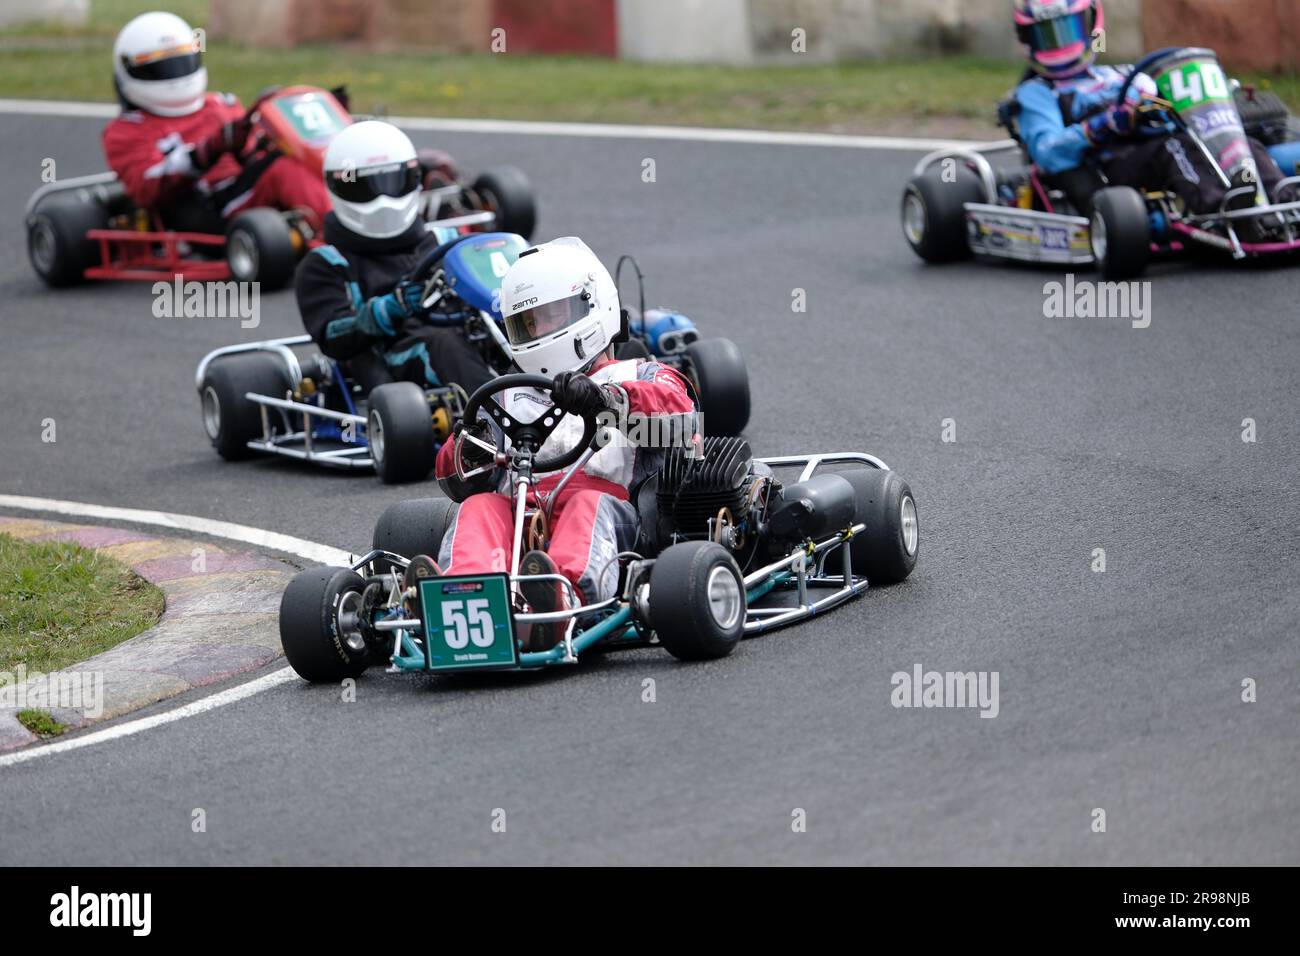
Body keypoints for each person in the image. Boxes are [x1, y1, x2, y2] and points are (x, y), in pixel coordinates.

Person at [428, 237, 697, 651]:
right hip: (522, 517)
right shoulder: (506, 395)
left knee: (588, 506)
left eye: (550, 317)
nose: (538, 333)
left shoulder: (640, 373)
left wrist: (608, 401)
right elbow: (454, 475)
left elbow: (680, 420)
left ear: (592, 305)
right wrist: (468, 450)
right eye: (527, 324)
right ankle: (464, 597)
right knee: (479, 507)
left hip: (618, 518)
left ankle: (563, 599)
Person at [1011, 0, 1285, 215]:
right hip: (1110, 163)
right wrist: (1102, 125)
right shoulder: (1036, 93)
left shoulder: (1121, 74)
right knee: (1174, 148)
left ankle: (1280, 199)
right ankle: (1222, 208)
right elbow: (1048, 152)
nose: (1061, 43)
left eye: (1069, 30)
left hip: (1159, 141)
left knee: (1243, 145)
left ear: (1091, 25)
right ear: (1028, 39)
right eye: (1047, 36)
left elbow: (1157, 98)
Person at [295, 120, 493, 394]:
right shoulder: (326, 264)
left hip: (472, 333)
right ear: (340, 185)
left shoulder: (445, 241)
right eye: (369, 185)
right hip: (393, 359)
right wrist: (387, 309)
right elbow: (332, 336)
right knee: (444, 342)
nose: (384, 198)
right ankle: (504, 421)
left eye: (392, 181)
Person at [101, 10, 330, 233]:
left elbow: (251, 156)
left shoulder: (219, 104)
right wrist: (207, 150)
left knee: (297, 155)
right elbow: (147, 188)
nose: (176, 75)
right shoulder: (126, 131)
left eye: (182, 60)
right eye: (160, 66)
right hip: (206, 206)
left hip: (241, 189)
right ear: (132, 70)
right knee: (282, 168)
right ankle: (339, 231)